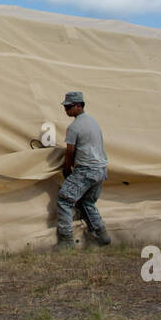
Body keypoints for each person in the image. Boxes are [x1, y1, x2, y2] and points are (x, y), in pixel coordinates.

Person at [55, 92, 110, 249]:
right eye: (65, 107)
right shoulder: (93, 122)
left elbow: (70, 151)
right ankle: (102, 236)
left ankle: (66, 241)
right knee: (87, 202)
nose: (66, 110)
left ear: (79, 105)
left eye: (69, 106)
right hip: (101, 170)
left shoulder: (74, 127)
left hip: (86, 170)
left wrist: (67, 168)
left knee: (65, 200)